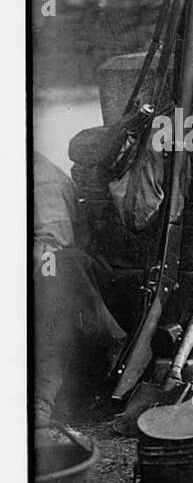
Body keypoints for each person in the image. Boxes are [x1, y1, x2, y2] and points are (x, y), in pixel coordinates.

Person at [32, 151, 127, 428]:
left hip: (76, 283)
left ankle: (41, 401)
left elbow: (49, 248)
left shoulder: (41, 180)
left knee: (56, 273)